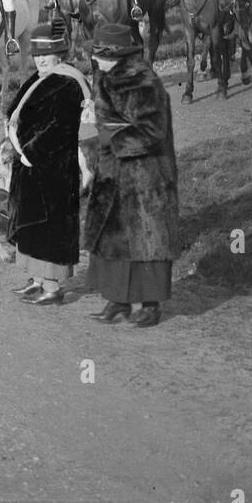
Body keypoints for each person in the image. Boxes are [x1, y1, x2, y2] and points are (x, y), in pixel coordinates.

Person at [83, 22, 180, 328]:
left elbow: (152, 130)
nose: (94, 59)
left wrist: (112, 139)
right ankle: (118, 300)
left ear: (117, 56)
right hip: (115, 172)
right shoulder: (108, 77)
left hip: (145, 175)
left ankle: (150, 305)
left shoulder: (142, 81)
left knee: (146, 241)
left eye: (100, 54)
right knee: (115, 238)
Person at [4, 18, 92, 306]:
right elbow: (16, 111)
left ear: (59, 54)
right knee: (32, 226)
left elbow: (59, 127)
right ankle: (37, 280)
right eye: (37, 55)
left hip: (53, 170)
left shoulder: (68, 82)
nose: (41, 60)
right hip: (30, 168)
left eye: (47, 54)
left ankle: (52, 288)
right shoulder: (40, 78)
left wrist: (30, 151)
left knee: (49, 228)